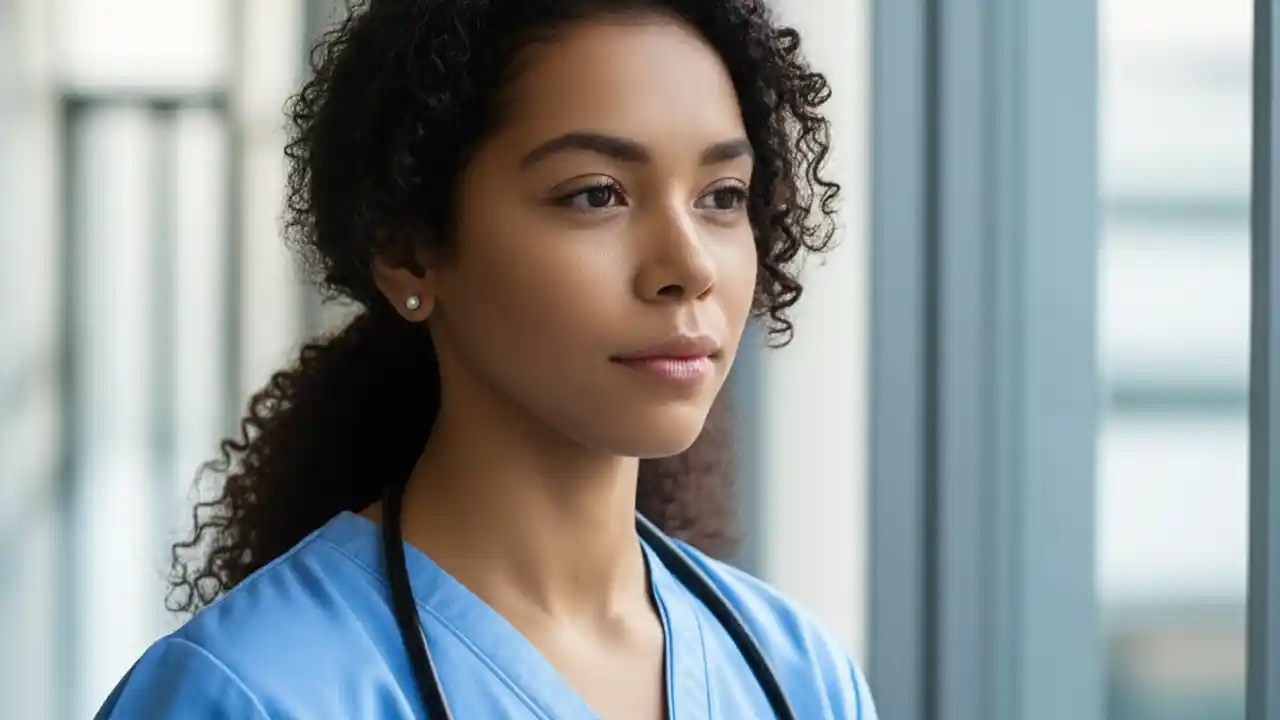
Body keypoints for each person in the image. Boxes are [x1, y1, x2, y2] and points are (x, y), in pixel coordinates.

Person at [95, 0, 876, 717]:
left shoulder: (797, 677)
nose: (689, 264)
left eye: (722, 196)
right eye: (597, 193)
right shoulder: (249, 692)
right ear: (408, 253)